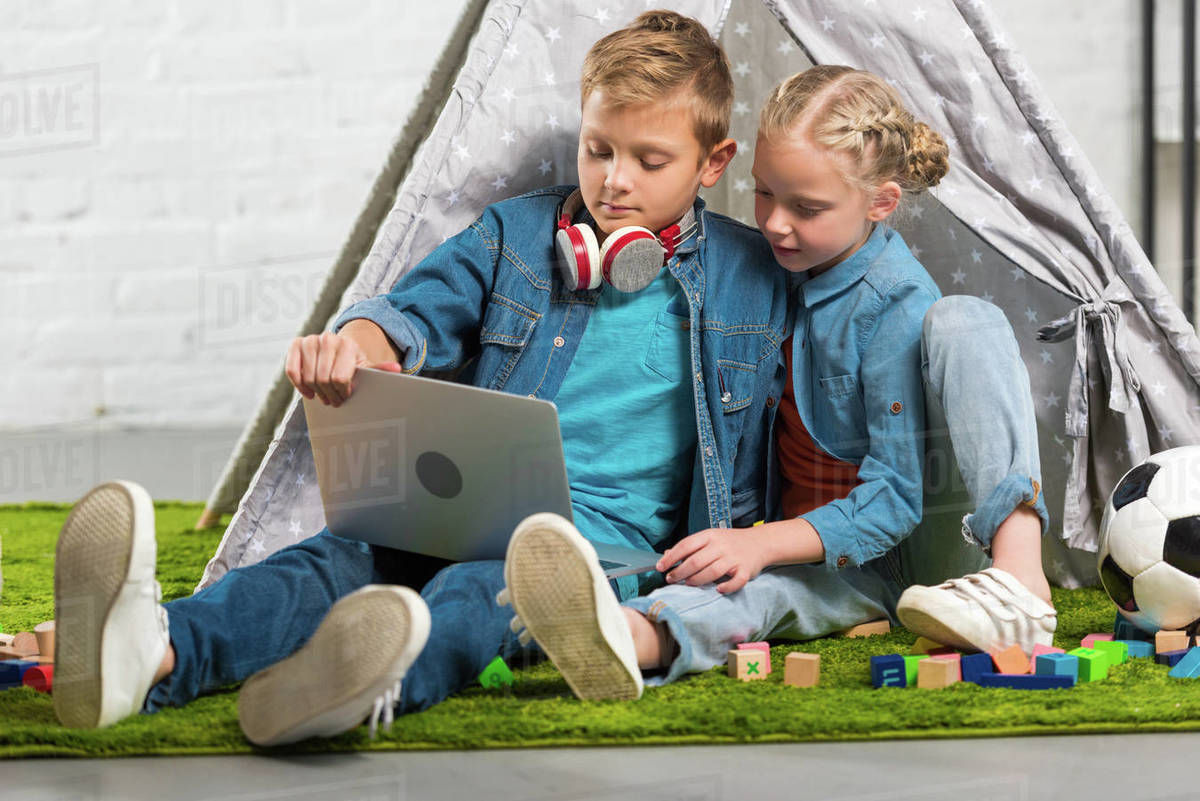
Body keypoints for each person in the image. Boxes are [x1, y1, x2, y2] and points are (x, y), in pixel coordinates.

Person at [50, 11, 788, 742]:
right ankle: (152, 652)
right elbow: (407, 317)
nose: (614, 181)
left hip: (597, 552)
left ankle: (362, 690)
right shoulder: (519, 237)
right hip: (473, 508)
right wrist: (353, 344)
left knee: (479, 592)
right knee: (333, 558)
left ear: (713, 164)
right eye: (598, 150)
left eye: (650, 161)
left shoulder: (754, 278)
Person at [502, 65, 1055, 695]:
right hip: (814, 551)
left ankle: (1018, 579)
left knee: (967, 318)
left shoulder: (893, 300)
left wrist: (763, 546)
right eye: (764, 193)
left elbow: (897, 500)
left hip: (909, 547)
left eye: (807, 207)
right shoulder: (774, 266)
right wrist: (752, 546)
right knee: (747, 590)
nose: (776, 223)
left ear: (880, 203)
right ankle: (627, 637)